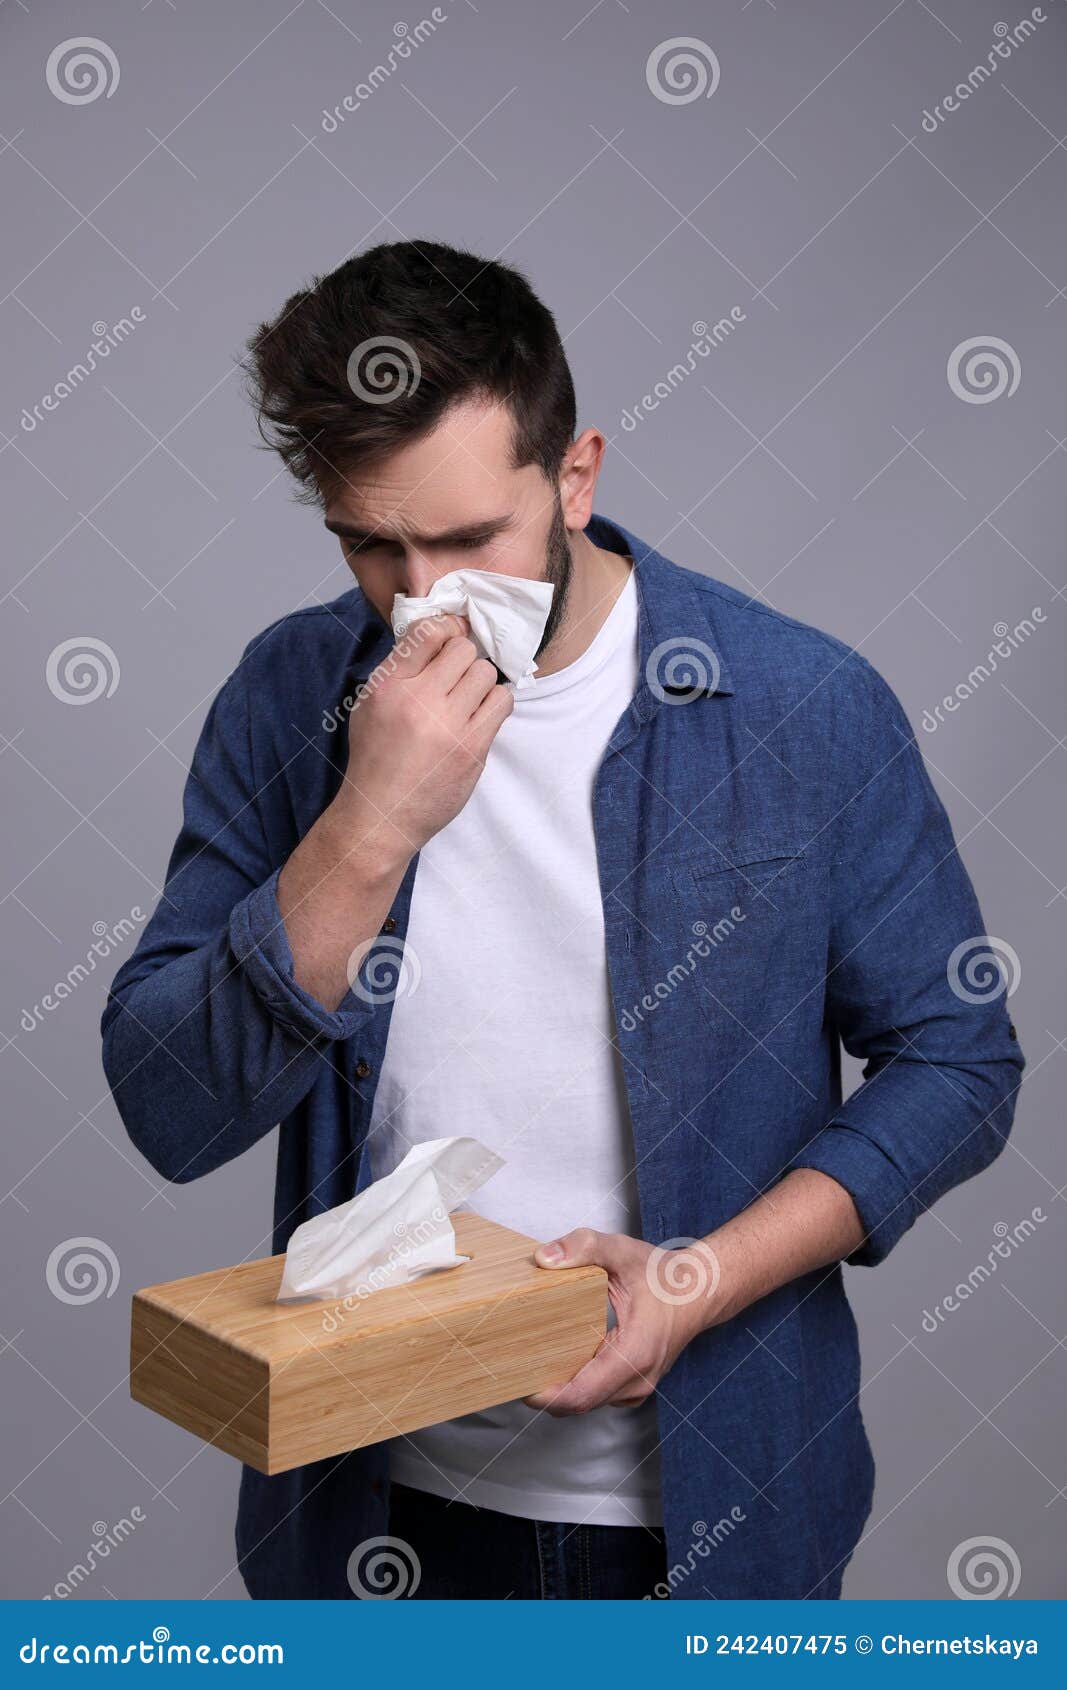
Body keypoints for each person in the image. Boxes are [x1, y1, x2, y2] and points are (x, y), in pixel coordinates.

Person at [102, 240, 1023, 1600]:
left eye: (472, 540)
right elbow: (170, 1107)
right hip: (368, 1507)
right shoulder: (290, 695)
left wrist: (699, 1278)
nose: (425, 598)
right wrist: (370, 823)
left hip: (709, 1517)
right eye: (374, 545)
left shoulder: (802, 708)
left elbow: (961, 1060)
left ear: (575, 476)